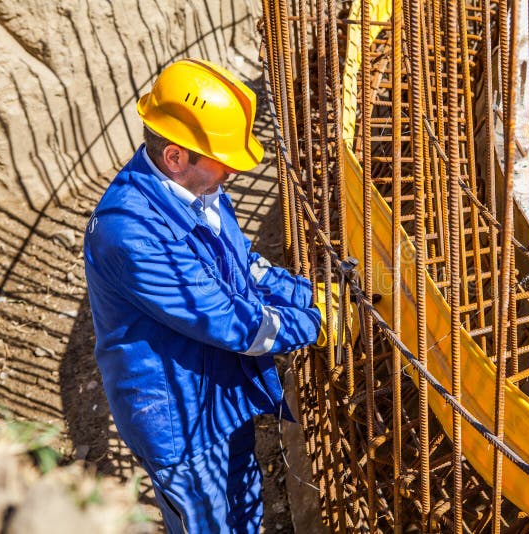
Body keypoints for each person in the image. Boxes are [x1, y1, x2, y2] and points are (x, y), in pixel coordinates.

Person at [83, 58, 349, 533]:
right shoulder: (129, 234)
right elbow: (228, 321)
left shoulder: (198, 189)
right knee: (208, 523)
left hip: (221, 390)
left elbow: (244, 263)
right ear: (176, 157)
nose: (232, 171)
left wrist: (309, 293)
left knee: (246, 502)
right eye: (223, 160)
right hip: (177, 419)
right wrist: (315, 322)